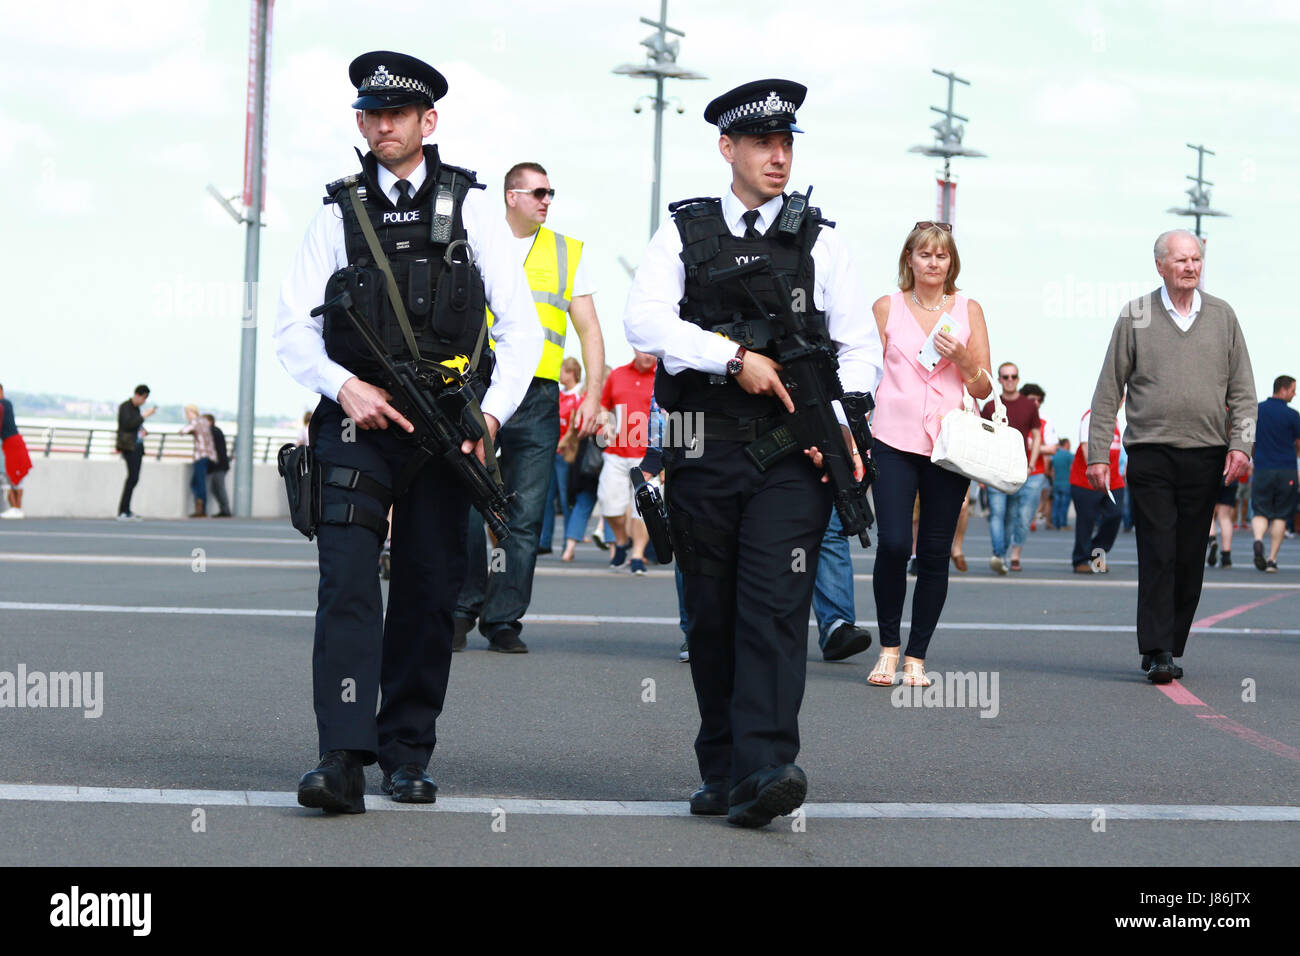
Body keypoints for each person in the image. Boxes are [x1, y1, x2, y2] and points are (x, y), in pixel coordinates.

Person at [273, 51, 542, 812]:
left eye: (399, 113)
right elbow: (294, 327)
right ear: (360, 122)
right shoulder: (339, 208)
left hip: (444, 429)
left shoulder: (474, 205)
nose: (383, 124)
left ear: (429, 122)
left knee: (427, 588)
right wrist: (342, 386)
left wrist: (489, 415)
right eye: (371, 113)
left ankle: (407, 751)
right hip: (356, 422)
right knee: (348, 585)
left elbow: (520, 329)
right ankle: (341, 757)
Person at [624, 79, 882, 827]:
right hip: (702, 448)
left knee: (773, 609)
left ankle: (767, 766)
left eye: (787, 143)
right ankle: (724, 767)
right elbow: (645, 322)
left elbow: (859, 350)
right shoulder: (684, 232)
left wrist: (836, 422)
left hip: (789, 457)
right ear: (727, 149)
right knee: (711, 616)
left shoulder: (820, 239)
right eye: (763, 143)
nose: (778, 156)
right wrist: (733, 358)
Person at [1087, 229, 1255, 684]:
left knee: (1187, 558)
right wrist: (1098, 451)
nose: (1190, 267)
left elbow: (1243, 393)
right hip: (1151, 454)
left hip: (1206, 455)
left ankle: (1170, 640)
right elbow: (1108, 390)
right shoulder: (1136, 314)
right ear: (1160, 265)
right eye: (1181, 260)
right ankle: (1158, 649)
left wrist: (1240, 444)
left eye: (1196, 259)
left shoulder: (1223, 316)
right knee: (1158, 551)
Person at [454, 161, 605, 652]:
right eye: (538, 192)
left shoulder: (566, 252)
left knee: (526, 513)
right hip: (476, 389)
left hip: (538, 398)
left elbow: (589, 330)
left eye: (551, 193)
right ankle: (461, 606)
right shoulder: (473, 241)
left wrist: (593, 395)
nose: (546, 201)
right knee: (467, 504)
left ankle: (503, 620)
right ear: (511, 196)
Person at [865, 221, 992, 688]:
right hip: (892, 440)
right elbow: (862, 370)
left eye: (941, 256)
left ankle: (916, 656)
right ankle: (888, 648)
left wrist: (961, 356)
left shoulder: (968, 309)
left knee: (934, 552)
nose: (933, 263)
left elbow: (982, 385)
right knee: (895, 543)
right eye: (924, 254)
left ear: (950, 263)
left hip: (947, 446)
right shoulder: (886, 307)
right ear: (910, 260)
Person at [597, 351, 657, 575]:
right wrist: (606, 423)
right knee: (608, 502)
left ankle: (637, 555)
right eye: (644, 349)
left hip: (648, 456)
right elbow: (603, 406)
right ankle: (622, 542)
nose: (648, 355)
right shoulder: (617, 375)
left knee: (642, 509)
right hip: (616, 453)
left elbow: (673, 416)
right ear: (634, 347)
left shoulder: (663, 377)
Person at [981, 362, 1042, 572]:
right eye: (1005, 377)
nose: (1009, 380)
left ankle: (1003, 556)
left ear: (1018, 378)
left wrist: (1032, 463)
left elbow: (1036, 434)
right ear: (999, 380)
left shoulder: (1029, 405)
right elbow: (981, 438)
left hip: (1019, 469)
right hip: (994, 469)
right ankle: (998, 554)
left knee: (1012, 515)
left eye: (1013, 376)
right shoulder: (990, 406)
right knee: (997, 513)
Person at [1248, 375, 1300, 572]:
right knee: (1281, 515)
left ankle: (1258, 539)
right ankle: (1271, 559)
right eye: (1293, 390)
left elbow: (1249, 441)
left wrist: (1255, 458)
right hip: (1286, 469)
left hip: (1262, 468)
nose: (1295, 395)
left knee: (1260, 510)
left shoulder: (1257, 411)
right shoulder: (1293, 415)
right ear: (1284, 389)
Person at [1069, 406, 1124, 573]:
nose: (1121, 400)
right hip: (1088, 480)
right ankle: (1081, 559)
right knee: (1087, 521)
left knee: (1115, 515)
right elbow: (1086, 446)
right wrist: (1093, 469)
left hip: (1113, 480)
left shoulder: (1115, 420)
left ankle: (1096, 553)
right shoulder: (1091, 416)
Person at [544, 357, 583, 558]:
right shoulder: (559, 394)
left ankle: (568, 543)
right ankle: (544, 541)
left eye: (562, 370)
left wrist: (561, 443)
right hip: (552, 451)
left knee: (566, 497)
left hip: (566, 454)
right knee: (547, 497)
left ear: (571, 373)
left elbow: (573, 428)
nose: (559, 374)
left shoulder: (578, 396)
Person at [1018, 383, 1057, 530]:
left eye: (1039, 400)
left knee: (1025, 514)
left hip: (1035, 473)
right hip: (1012, 471)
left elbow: (1052, 448)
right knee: (1006, 513)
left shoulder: (1045, 421)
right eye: (1033, 399)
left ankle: (1016, 550)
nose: (1037, 403)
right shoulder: (1012, 415)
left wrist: (1033, 447)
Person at [115, 385, 154, 521]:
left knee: (134, 478)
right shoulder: (125, 407)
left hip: (137, 447)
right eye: (144, 398)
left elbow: (135, 425)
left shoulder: (136, 409)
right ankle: (123, 511)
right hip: (129, 447)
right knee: (132, 478)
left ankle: (126, 510)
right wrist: (144, 416)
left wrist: (143, 430)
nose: (144, 401)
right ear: (138, 395)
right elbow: (127, 424)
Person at [178, 404, 216, 518]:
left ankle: (201, 509)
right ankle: (200, 507)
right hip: (209, 456)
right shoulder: (204, 422)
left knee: (199, 483)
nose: (186, 416)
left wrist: (189, 431)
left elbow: (182, 431)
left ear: (191, 412)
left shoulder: (195, 422)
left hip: (200, 456)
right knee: (196, 482)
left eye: (187, 413)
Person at [0, 384, 31, 519]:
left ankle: (16, 508)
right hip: (13, 442)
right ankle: (17, 508)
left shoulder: (3, 404)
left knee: (9, 476)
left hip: (11, 443)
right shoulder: (7, 404)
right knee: (14, 477)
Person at [204, 414, 233, 518]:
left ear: (210, 421)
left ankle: (226, 510)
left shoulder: (213, 432)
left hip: (219, 465)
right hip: (219, 465)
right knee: (216, 488)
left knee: (219, 488)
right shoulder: (216, 431)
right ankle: (224, 510)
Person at [1049, 437, 1073, 529]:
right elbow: (1072, 468)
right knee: (1064, 505)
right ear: (1066, 444)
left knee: (1056, 504)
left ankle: (1055, 524)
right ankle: (1063, 524)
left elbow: (1052, 471)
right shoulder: (1069, 455)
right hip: (1066, 483)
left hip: (1056, 483)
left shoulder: (1055, 456)